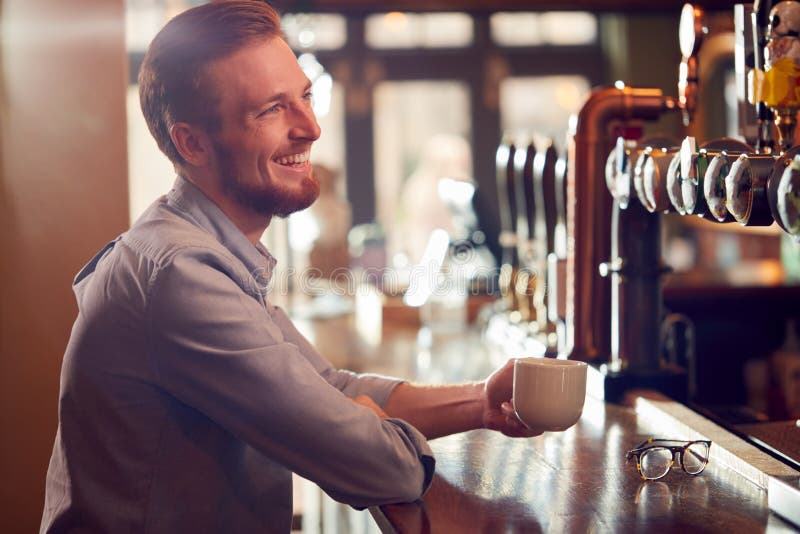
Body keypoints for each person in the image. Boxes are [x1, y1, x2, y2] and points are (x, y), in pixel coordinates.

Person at [40, 1, 538, 532]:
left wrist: (480, 401)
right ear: (191, 142)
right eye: (271, 109)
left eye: (304, 97)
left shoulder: (209, 251)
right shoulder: (180, 277)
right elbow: (384, 468)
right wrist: (370, 434)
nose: (311, 128)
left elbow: (332, 389)